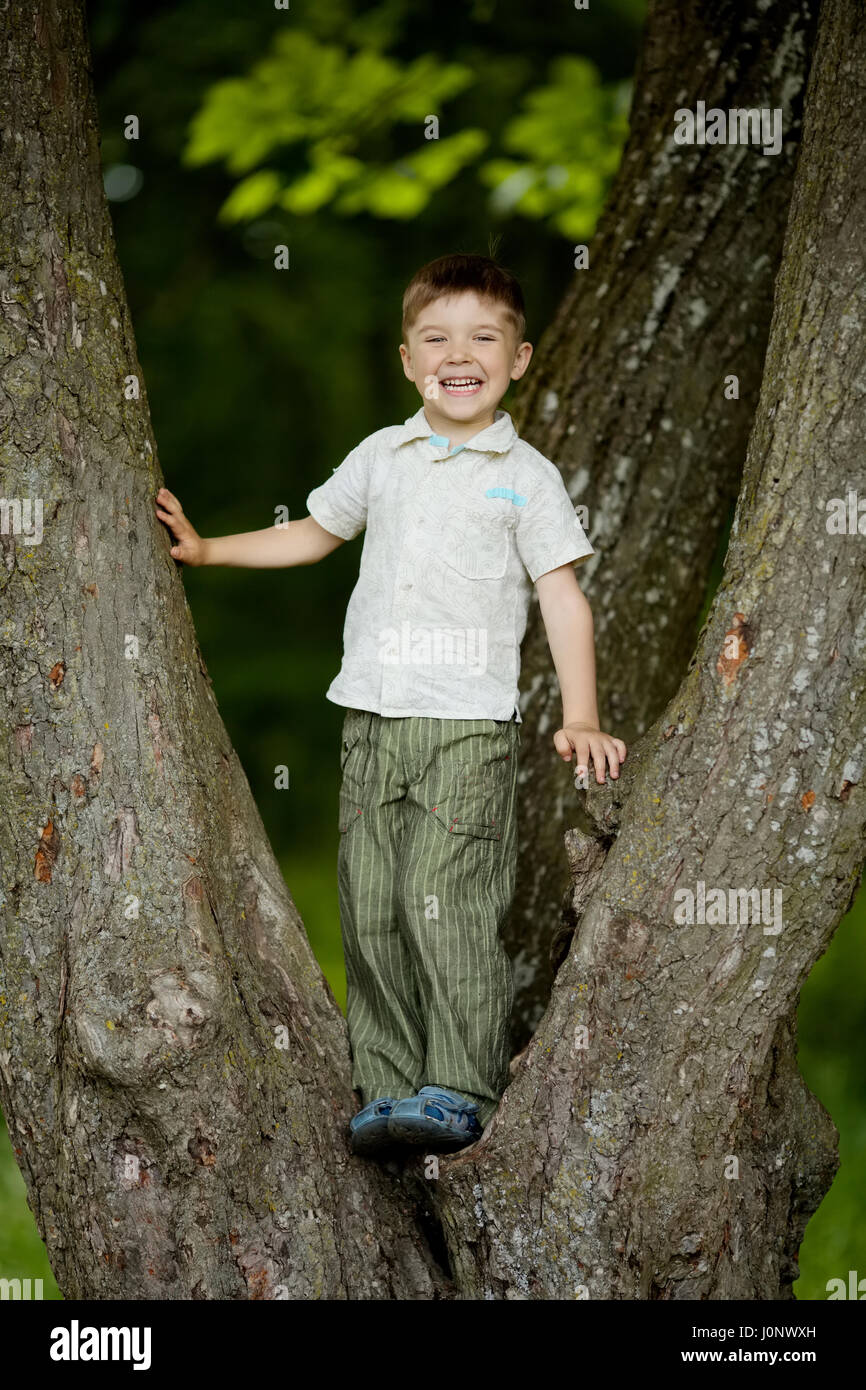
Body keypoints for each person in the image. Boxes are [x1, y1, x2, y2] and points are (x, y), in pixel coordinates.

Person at [155, 252, 626, 1159]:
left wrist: (581, 713)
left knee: (442, 898)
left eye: (483, 338)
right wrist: (210, 551)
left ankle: (456, 1087)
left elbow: (563, 594)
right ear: (407, 359)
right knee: (370, 901)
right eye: (436, 338)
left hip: (465, 727)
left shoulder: (524, 475)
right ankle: (388, 1088)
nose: (460, 354)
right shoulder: (383, 454)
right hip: (370, 717)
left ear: (518, 360)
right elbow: (315, 532)